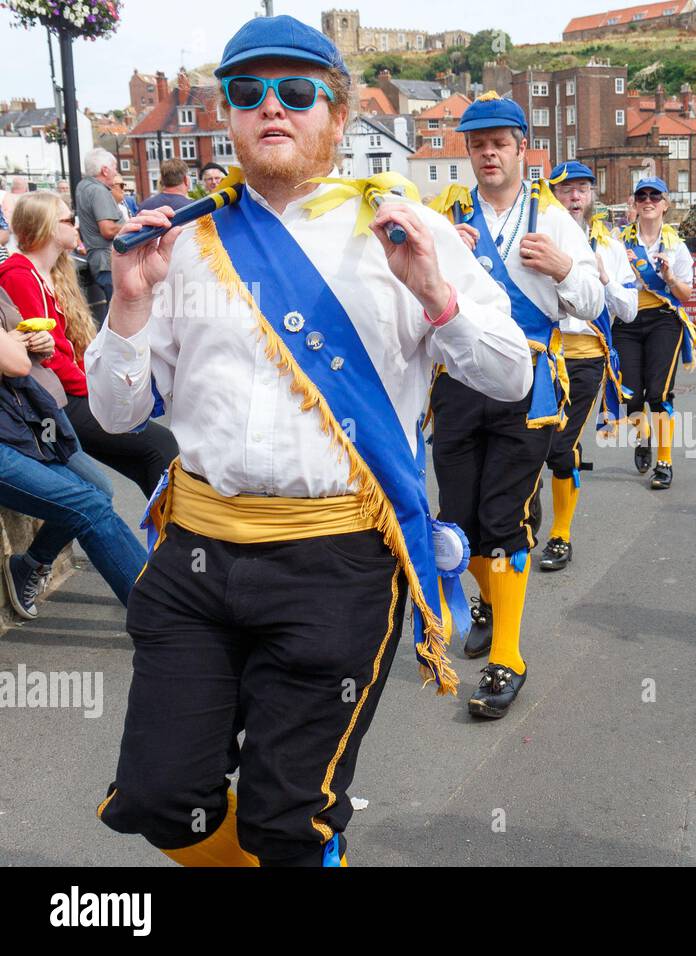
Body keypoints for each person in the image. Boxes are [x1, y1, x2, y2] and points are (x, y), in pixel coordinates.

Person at [84, 15, 531, 867]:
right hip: (198, 556)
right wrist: (129, 305)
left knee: (289, 822)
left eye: (296, 92)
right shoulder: (187, 241)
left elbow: (512, 377)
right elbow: (113, 413)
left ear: (339, 111)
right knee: (158, 800)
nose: (271, 110)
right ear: (228, 116)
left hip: (337, 563)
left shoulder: (405, 230)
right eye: (248, 94)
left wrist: (436, 293)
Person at [426, 93, 603, 718]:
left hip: (528, 383)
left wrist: (561, 269)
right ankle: (488, 600)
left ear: (522, 148)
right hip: (456, 382)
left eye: (500, 142)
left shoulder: (553, 217)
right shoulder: (446, 213)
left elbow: (593, 301)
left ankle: (508, 655)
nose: (488, 152)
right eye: (477, 144)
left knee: (503, 521)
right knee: (457, 524)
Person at [0, 192, 179, 497]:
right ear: (45, 226)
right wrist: (95, 387)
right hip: (54, 399)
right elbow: (51, 356)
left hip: (68, 391)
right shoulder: (18, 275)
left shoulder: (54, 273)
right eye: (68, 220)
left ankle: (166, 532)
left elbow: (75, 348)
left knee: (144, 459)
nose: (76, 226)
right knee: (157, 448)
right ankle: (171, 535)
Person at [0, 287, 147, 619]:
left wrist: (40, 344)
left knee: (96, 493)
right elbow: (16, 363)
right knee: (91, 504)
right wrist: (17, 348)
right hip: (23, 424)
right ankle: (161, 617)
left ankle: (31, 564)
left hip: (23, 423)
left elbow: (25, 351)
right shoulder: (18, 272)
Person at [535, 160, 636, 572]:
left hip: (586, 357)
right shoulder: (538, 238)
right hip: (543, 355)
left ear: (592, 196)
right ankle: (525, 521)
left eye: (582, 189)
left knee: (561, 448)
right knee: (531, 447)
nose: (574, 197)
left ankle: (561, 535)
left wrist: (605, 280)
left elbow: (628, 312)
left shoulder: (608, 246)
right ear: (554, 196)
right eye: (566, 189)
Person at [616, 177, 696, 490]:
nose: (648, 201)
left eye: (655, 196)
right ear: (635, 204)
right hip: (627, 319)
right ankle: (643, 436)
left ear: (665, 204)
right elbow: (602, 280)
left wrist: (669, 276)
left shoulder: (676, 245)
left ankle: (664, 462)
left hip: (664, 319)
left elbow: (687, 294)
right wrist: (614, 267)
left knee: (659, 392)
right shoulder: (619, 241)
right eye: (642, 196)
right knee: (631, 396)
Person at [75, 148, 124, 322]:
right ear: (104, 170)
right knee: (118, 315)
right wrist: (131, 226)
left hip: (96, 259)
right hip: (106, 261)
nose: (116, 173)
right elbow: (107, 229)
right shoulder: (98, 190)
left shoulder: (83, 186)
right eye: (114, 168)